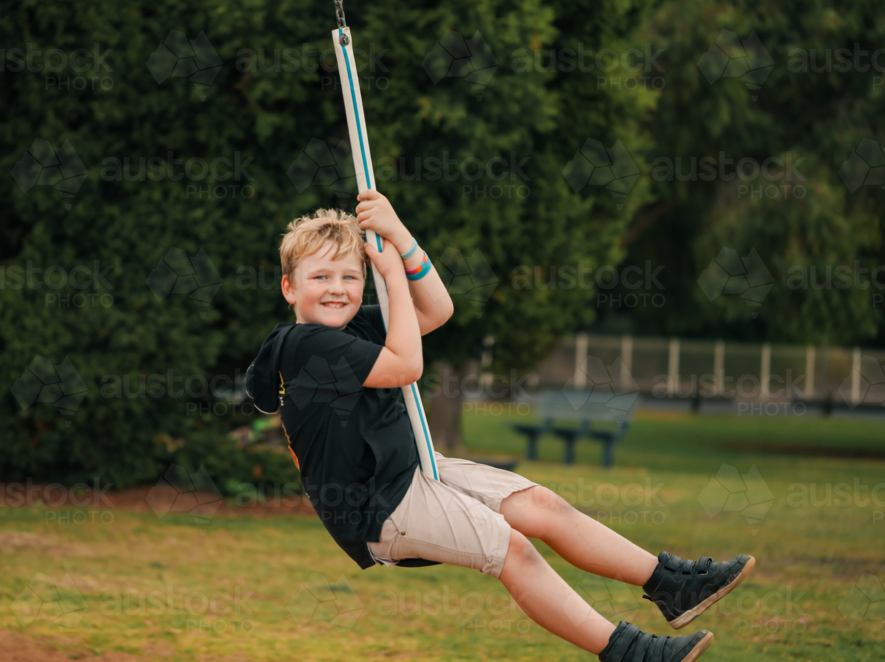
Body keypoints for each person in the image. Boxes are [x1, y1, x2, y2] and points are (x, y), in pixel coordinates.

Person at [246, 189, 755, 662]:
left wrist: (401, 238)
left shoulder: (351, 326)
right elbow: (407, 365)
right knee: (512, 549)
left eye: (350, 277)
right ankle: (630, 652)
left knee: (542, 505)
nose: (338, 289)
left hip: (417, 468)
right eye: (321, 278)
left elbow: (436, 309)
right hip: (379, 508)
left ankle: (672, 583)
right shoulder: (307, 345)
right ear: (290, 287)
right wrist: (393, 277)